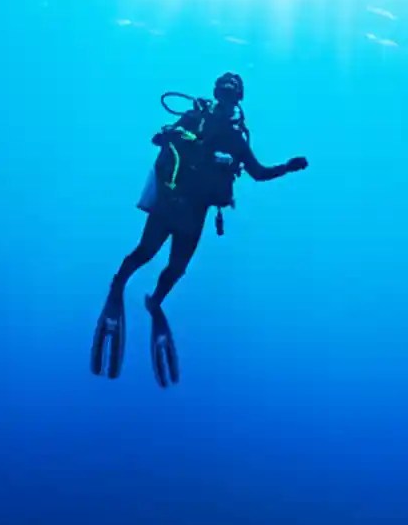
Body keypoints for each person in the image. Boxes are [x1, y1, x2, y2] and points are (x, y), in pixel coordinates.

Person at [90, 72, 309, 388]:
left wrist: (287, 167)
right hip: (170, 202)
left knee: (177, 268)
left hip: (195, 213)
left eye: (231, 96)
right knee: (145, 253)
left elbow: (259, 173)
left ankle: (154, 302)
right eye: (223, 94)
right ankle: (118, 286)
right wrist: (172, 137)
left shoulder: (236, 139)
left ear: (237, 101)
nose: (226, 101)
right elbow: (160, 139)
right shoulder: (194, 119)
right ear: (217, 94)